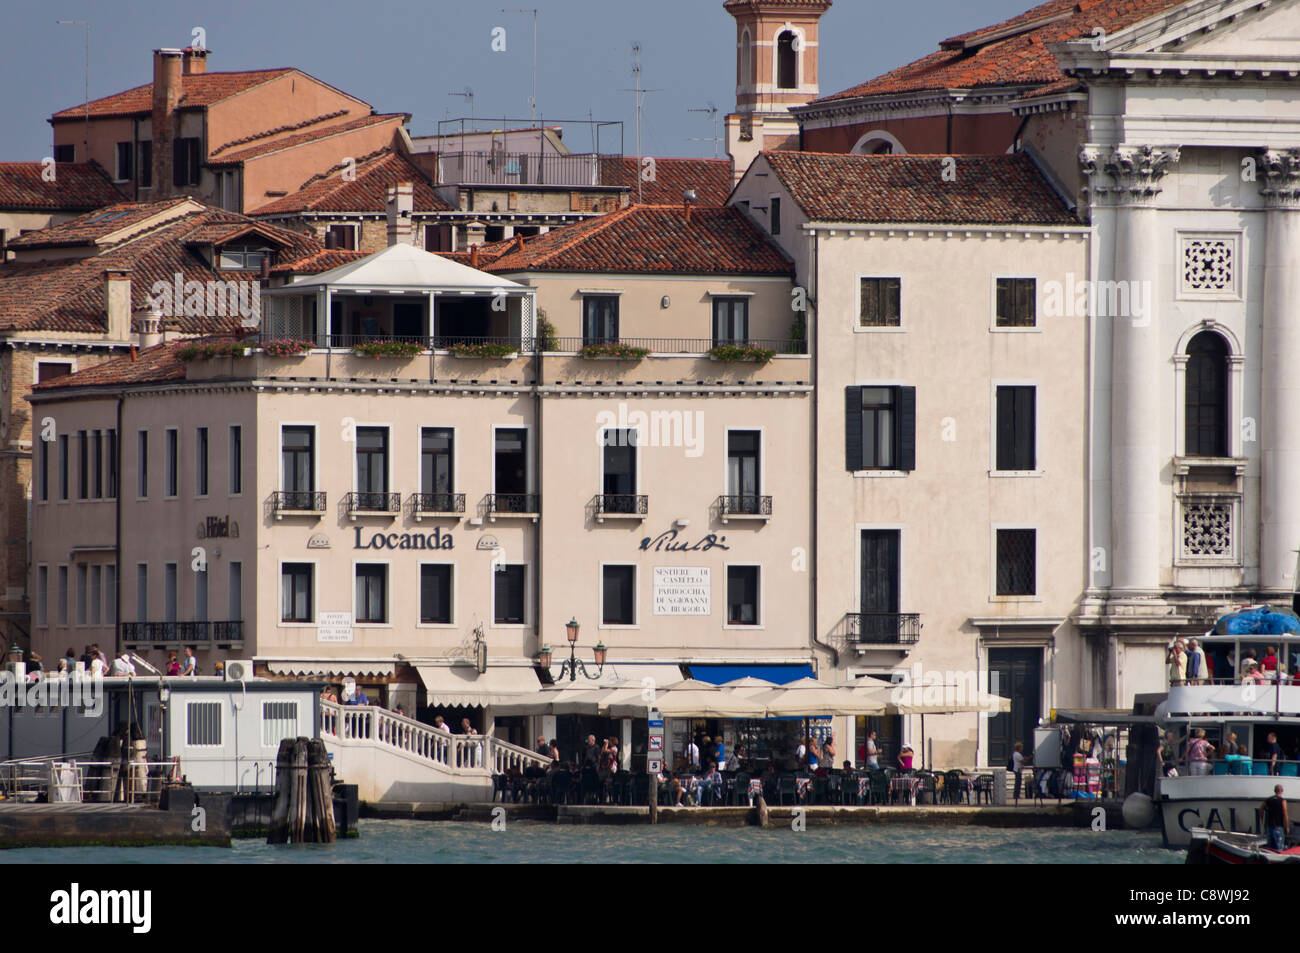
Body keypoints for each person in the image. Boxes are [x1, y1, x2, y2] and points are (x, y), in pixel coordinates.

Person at [1260, 784, 1290, 851]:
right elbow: (1285, 812)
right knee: (1279, 848)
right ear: (1282, 791)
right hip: (1278, 827)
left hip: (1269, 826)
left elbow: (1261, 809)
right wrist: (1287, 826)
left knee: (1269, 848)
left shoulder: (1268, 800)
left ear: (1274, 791)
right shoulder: (1283, 801)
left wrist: (1262, 821)